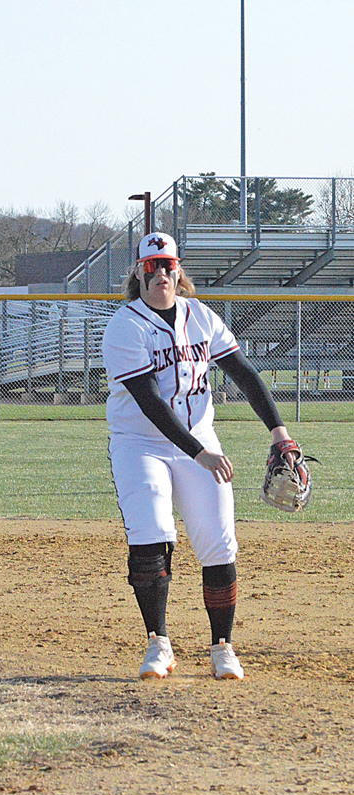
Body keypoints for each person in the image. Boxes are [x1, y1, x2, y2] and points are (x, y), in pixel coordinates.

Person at [102, 232, 295, 681]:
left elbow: (245, 374)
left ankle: (222, 647)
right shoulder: (125, 325)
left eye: (167, 265)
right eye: (151, 267)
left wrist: (280, 434)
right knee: (150, 532)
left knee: (218, 542)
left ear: (178, 270)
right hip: (141, 443)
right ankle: (159, 643)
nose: (161, 274)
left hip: (200, 440)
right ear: (138, 273)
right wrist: (200, 453)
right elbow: (150, 401)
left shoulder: (200, 317)